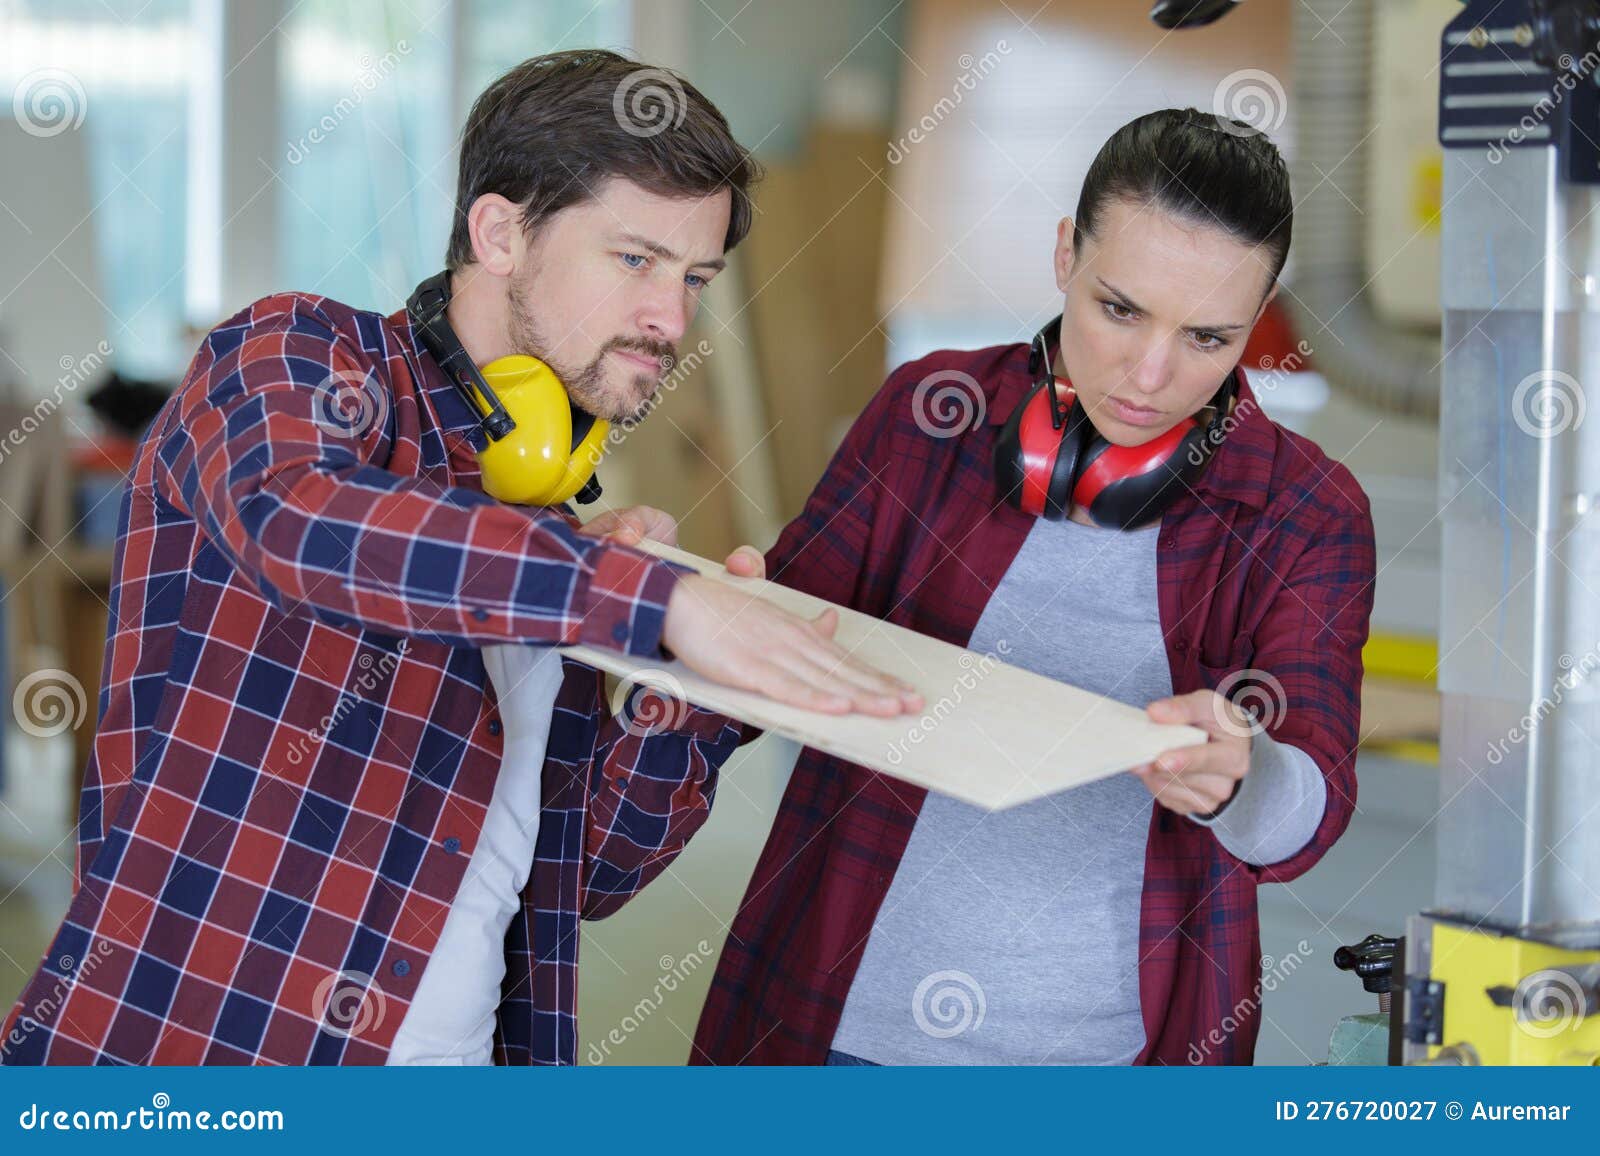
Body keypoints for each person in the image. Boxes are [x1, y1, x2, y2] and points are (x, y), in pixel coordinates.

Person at [0, 49, 920, 1068]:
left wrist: (697, 692)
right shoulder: (295, 356)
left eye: (695, 277)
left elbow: (584, 873)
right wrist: (644, 596)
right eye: (635, 260)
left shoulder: (551, 536)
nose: (672, 319)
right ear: (500, 232)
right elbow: (301, 522)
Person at [693, 108, 1376, 1066]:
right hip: (840, 1027)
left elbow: (1310, 808)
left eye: (1210, 338)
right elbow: (765, 655)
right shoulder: (928, 417)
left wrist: (1245, 778)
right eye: (1121, 308)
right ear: (1065, 255)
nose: (1149, 376)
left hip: (1108, 1059)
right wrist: (684, 609)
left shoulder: (1304, 509)